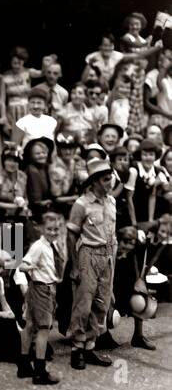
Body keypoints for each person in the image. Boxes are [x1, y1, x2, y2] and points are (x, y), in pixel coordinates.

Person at [68, 158, 118, 370]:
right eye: (106, 179)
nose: (110, 183)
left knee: (102, 303)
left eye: (111, 178)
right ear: (95, 181)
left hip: (108, 255)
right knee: (83, 304)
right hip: (88, 254)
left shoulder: (111, 202)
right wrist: (74, 265)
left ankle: (90, 346)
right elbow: (71, 234)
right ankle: (76, 349)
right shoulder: (82, 204)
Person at [15, 204, 67, 384]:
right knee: (44, 330)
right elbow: (22, 265)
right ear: (42, 229)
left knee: (30, 326)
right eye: (49, 229)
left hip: (47, 288)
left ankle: (23, 365)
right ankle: (40, 371)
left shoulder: (53, 245)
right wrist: (32, 268)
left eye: (56, 229)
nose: (53, 232)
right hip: (41, 289)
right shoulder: (38, 246)